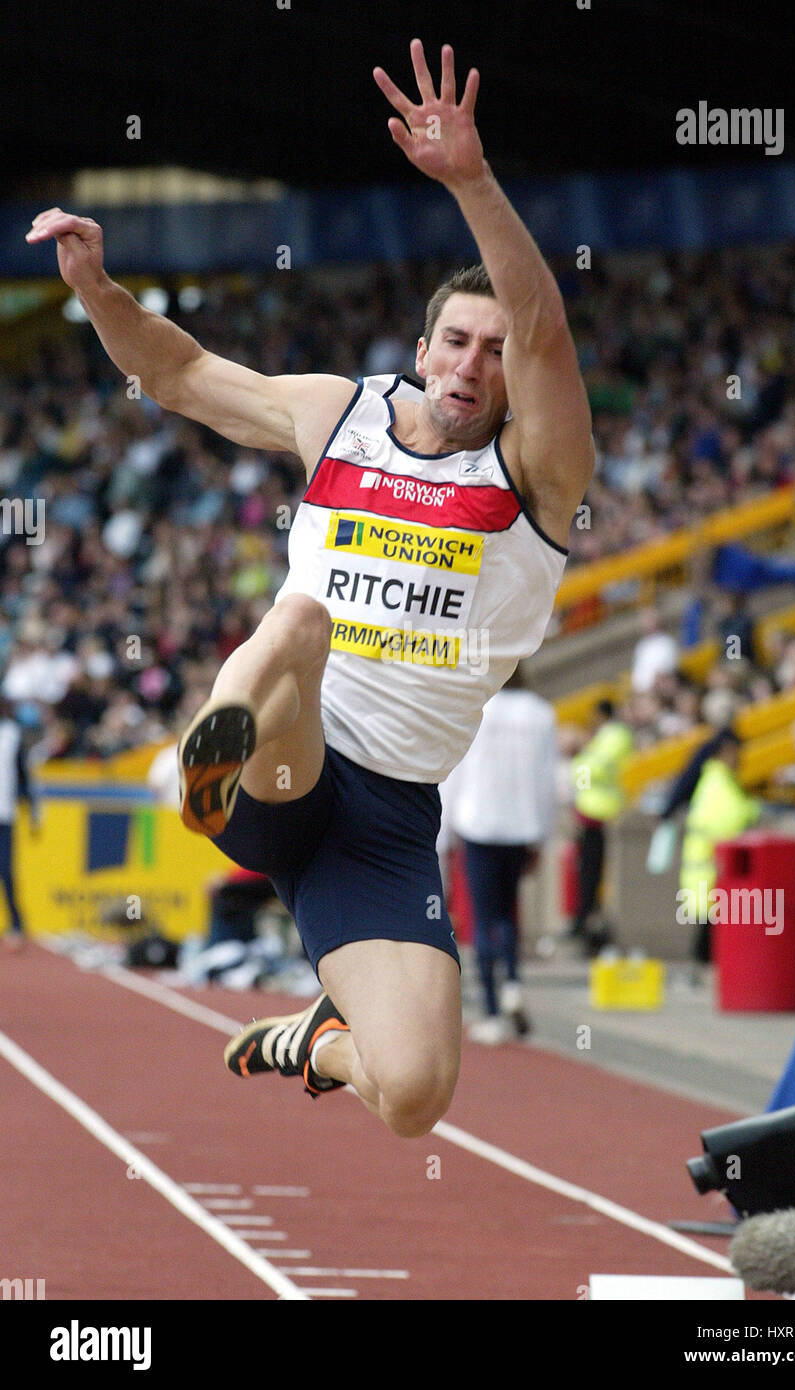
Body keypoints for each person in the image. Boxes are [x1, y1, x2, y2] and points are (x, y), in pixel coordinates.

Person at [28, 39, 593, 1138]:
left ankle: (314, 1037)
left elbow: (543, 331)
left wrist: (470, 182)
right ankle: (211, 747)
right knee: (300, 616)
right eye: (456, 343)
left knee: (416, 1099)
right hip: (287, 754)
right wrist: (98, 289)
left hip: (380, 824)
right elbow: (176, 373)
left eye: (491, 352)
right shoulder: (341, 412)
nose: (474, 365)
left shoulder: (538, 473)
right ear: (421, 348)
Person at [440, 670, 557, 1044]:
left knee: (484, 916)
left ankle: (491, 1010)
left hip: (479, 822)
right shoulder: (540, 713)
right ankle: (513, 982)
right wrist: (542, 834)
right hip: (520, 824)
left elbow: (455, 771)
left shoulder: (476, 707)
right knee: (508, 912)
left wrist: (444, 833)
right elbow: (546, 779)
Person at [679, 730, 761, 966]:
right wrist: (754, 810)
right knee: (709, 933)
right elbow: (728, 819)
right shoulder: (719, 781)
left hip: (703, 868)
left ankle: (701, 969)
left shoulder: (713, 778)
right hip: (709, 870)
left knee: (707, 929)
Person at [569, 699, 634, 954]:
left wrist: (581, 758)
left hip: (602, 813)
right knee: (587, 873)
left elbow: (589, 769)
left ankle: (589, 922)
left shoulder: (615, 736)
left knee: (594, 875)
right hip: (591, 812)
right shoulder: (602, 737)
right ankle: (584, 920)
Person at [0, 697, 40, 950]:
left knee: (6, 871)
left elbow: (22, 774)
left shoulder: (13, 734)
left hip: (4, 813)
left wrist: (33, 808)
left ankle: (16, 923)